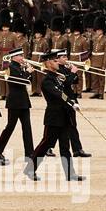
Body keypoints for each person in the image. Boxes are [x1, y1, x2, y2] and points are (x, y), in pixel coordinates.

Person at [27, 51, 83, 181]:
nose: (58, 63)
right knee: (45, 144)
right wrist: (70, 102)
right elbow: (57, 94)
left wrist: (71, 102)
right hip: (54, 117)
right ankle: (30, 168)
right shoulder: (47, 80)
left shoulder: (57, 78)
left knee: (65, 146)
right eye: (55, 61)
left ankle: (70, 174)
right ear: (48, 63)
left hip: (64, 116)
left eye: (57, 61)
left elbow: (64, 91)